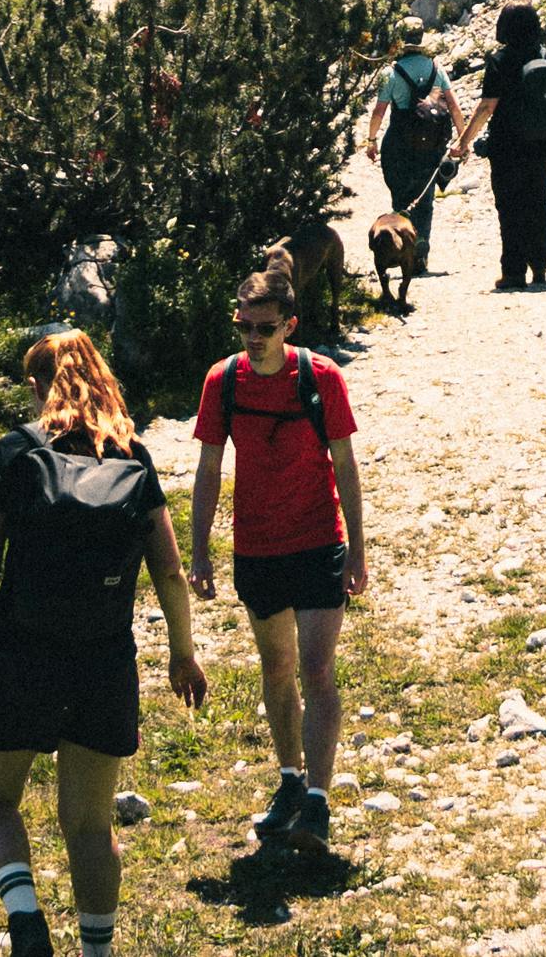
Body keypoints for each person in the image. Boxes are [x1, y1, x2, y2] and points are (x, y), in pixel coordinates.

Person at [0, 327, 206, 957]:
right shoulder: (132, 455)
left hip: (22, 653)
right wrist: (183, 654)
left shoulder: (15, 453)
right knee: (89, 825)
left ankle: (26, 917)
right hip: (103, 661)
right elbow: (167, 569)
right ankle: (97, 952)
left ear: (37, 387)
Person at [188, 268, 367, 853]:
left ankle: (317, 800)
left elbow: (345, 465)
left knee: (315, 670)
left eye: (264, 328)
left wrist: (358, 550)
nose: (252, 337)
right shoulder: (224, 382)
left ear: (289, 325)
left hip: (318, 540)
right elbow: (209, 469)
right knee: (276, 670)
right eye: (243, 325)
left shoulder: (321, 376)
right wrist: (199, 553)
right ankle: (289, 780)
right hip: (257, 547)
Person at [460, 0, 546, 292]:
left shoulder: (500, 61)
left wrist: (463, 142)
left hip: (508, 146)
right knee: (538, 203)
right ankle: (540, 269)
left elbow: (486, 107)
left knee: (510, 208)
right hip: (543, 145)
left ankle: (513, 273)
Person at [361, 28, 460, 276]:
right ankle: (420, 254)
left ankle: (403, 250)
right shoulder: (437, 68)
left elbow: (379, 111)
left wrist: (371, 140)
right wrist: (463, 140)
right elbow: (453, 105)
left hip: (399, 144)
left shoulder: (391, 72)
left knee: (401, 199)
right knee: (425, 201)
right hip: (431, 144)